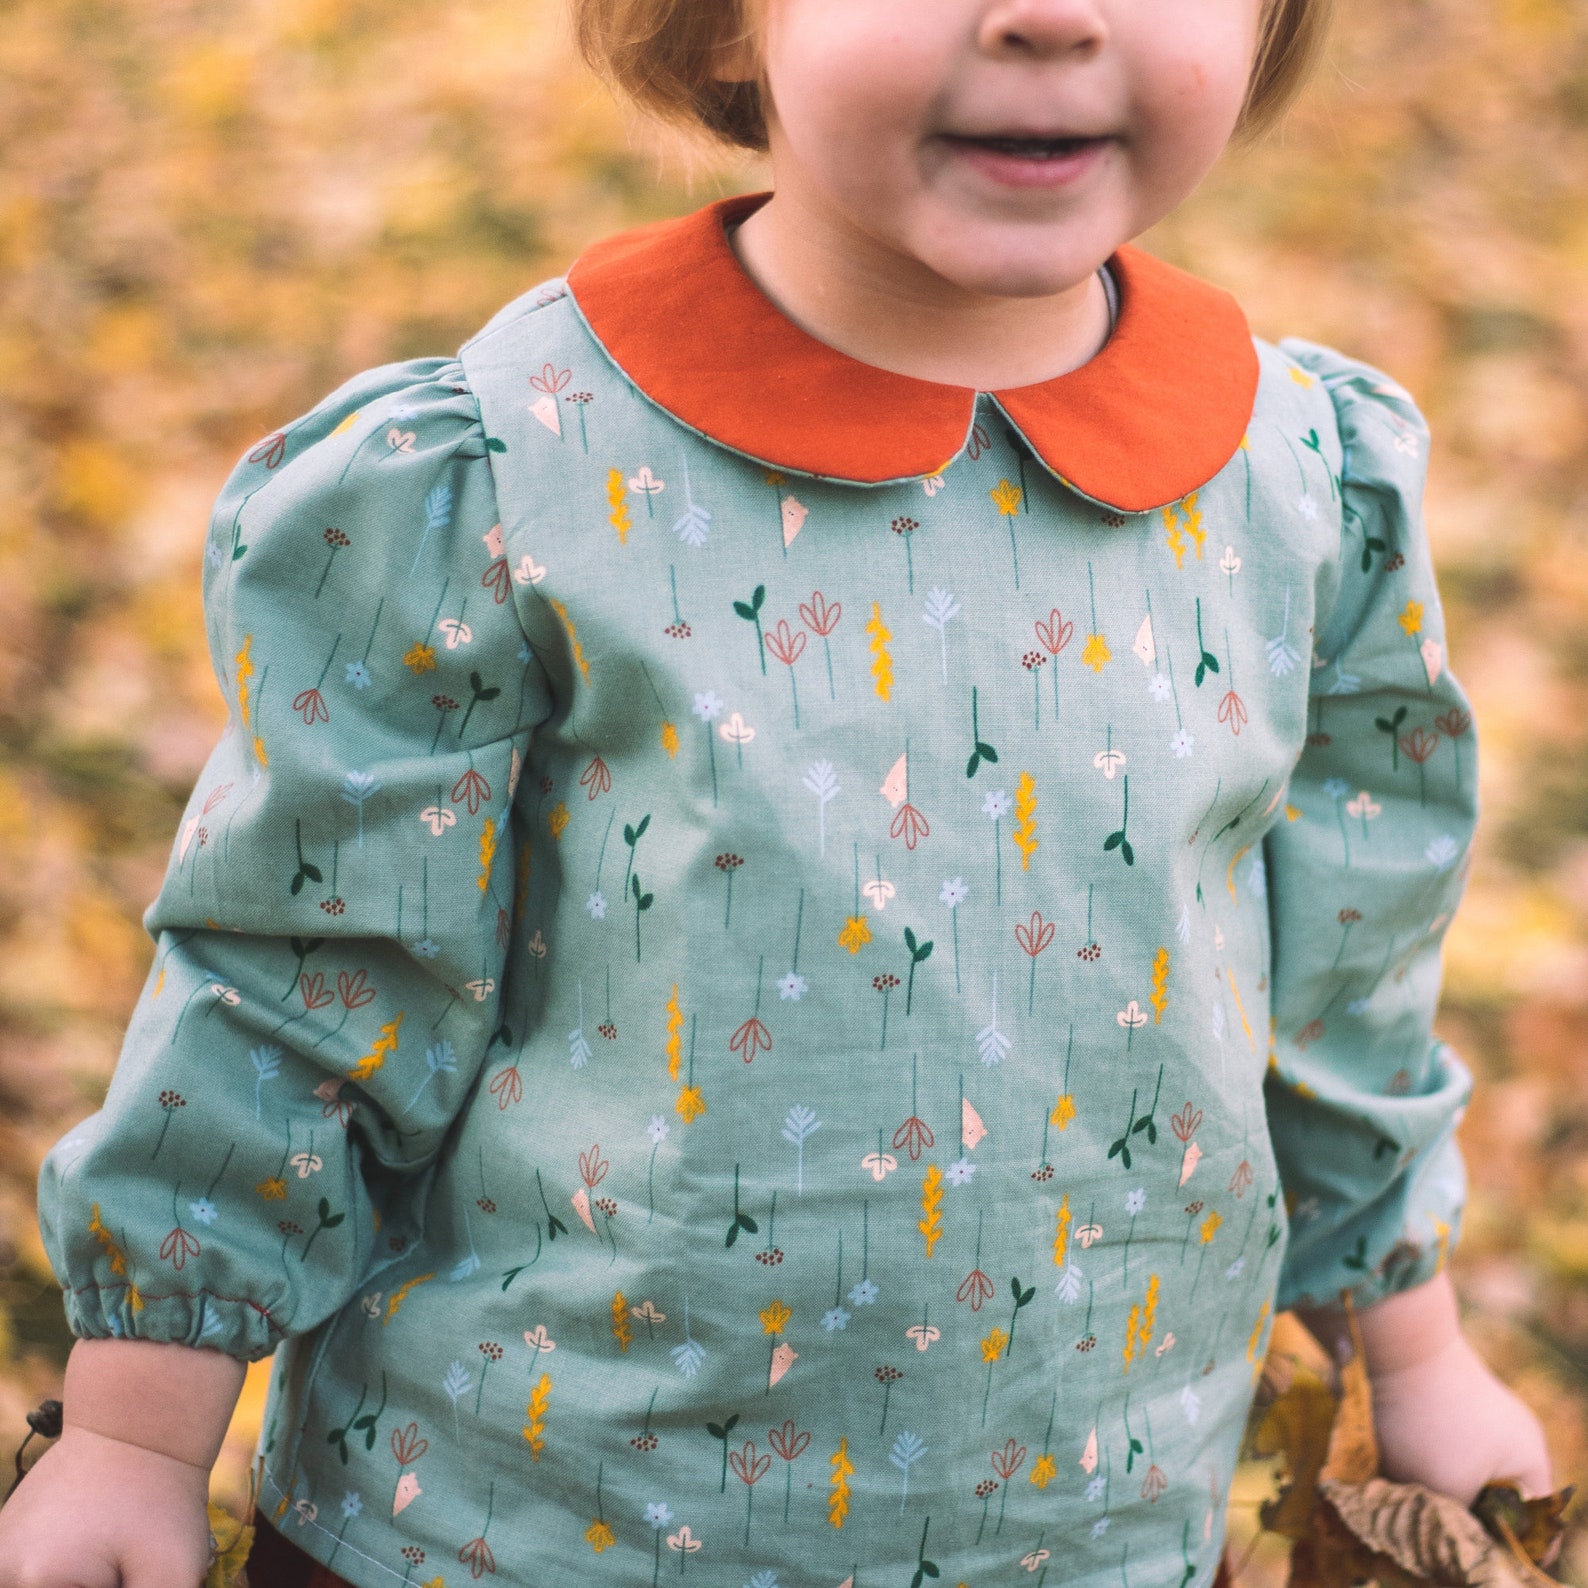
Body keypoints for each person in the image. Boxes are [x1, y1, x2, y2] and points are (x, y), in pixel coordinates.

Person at [0, 1, 1554, 1584]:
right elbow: (307, 977)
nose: (1050, 16)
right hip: (508, 1529)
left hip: (1094, 1535)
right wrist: (136, 1432)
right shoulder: (520, 465)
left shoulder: (1296, 485)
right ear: (729, 21)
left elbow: (1341, 984)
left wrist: (1414, 1351)